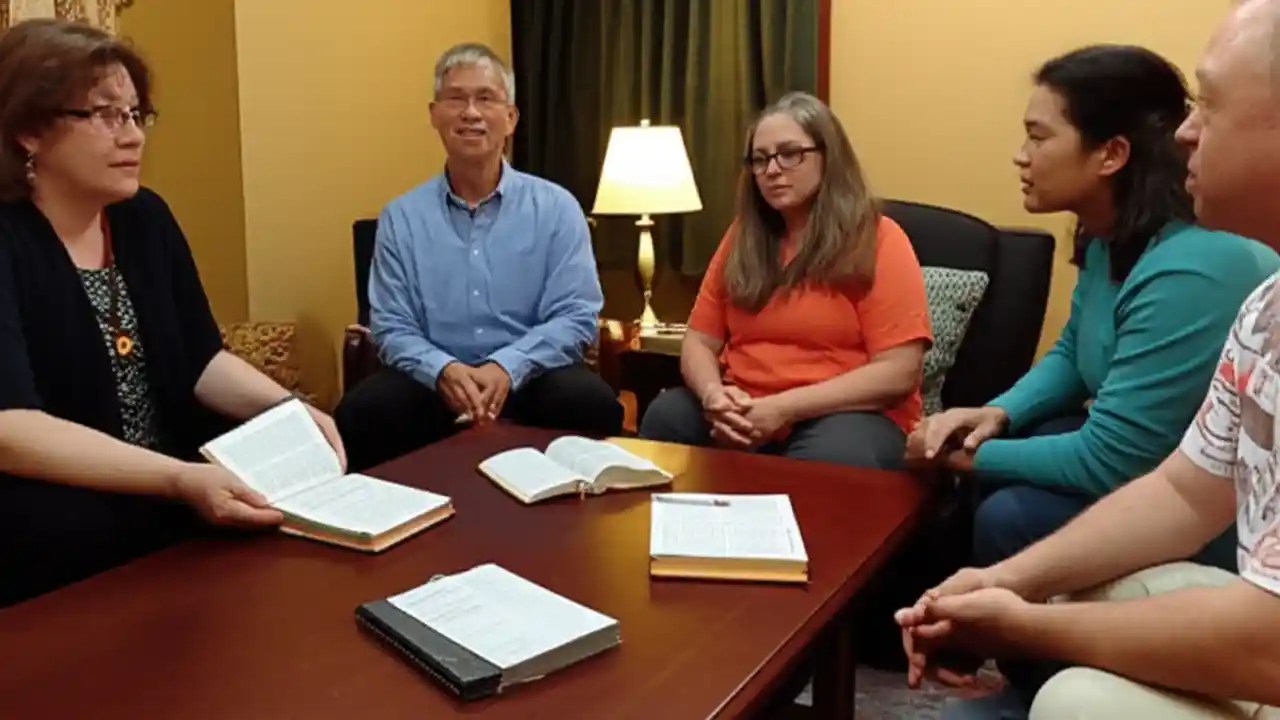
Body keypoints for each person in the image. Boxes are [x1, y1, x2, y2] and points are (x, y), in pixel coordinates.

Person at [898, 3, 1280, 717]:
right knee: (1019, 485)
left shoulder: (1200, 266)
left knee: (1068, 688)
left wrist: (1028, 619)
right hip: (1211, 539)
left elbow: (1117, 464)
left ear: (1108, 155)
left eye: (1212, 106)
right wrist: (998, 577)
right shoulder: (1263, 307)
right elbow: (1180, 487)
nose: (1187, 134)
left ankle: (1031, 686)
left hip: (1241, 578)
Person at [0, 20, 345, 607]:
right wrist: (178, 479)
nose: (132, 135)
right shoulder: (8, 238)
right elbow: (10, 427)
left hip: (172, 476)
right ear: (30, 131)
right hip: (60, 495)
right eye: (106, 115)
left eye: (137, 115)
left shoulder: (145, 218)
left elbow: (199, 359)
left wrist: (289, 408)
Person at [334, 43, 622, 472]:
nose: (470, 112)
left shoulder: (557, 208)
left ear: (511, 118)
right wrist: (445, 370)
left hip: (530, 376)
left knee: (590, 404)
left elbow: (576, 316)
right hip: (432, 380)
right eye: (456, 99)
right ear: (434, 115)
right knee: (362, 414)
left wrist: (506, 367)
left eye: (486, 98)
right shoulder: (401, 217)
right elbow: (392, 327)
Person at [639, 92, 931, 469]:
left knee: (830, 456)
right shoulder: (741, 237)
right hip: (744, 407)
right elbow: (698, 340)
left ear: (829, 157)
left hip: (842, 415)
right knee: (668, 415)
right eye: (760, 160)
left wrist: (781, 409)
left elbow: (899, 371)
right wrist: (714, 395)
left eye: (790, 154)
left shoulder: (880, 239)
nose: (772, 169)